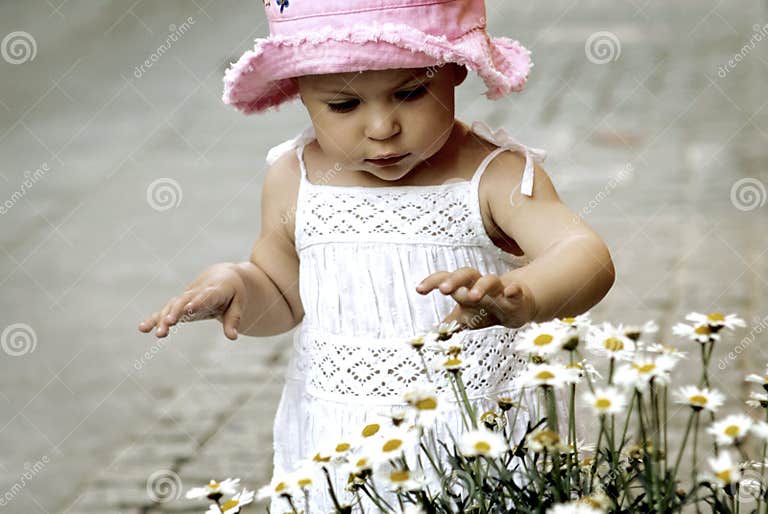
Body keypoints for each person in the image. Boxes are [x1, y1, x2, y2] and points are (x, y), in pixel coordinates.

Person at [138, 0, 616, 511]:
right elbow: (281, 295)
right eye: (343, 106)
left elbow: (584, 253)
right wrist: (234, 287)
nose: (383, 126)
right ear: (300, 90)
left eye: (410, 93)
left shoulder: (491, 176)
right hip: (342, 445)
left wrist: (527, 295)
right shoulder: (294, 178)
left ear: (454, 71)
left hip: (474, 435)